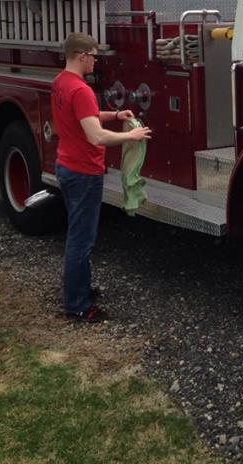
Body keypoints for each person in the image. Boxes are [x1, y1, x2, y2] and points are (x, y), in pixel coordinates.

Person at [52, 32, 151, 323]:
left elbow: (87, 117)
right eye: (94, 56)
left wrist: (116, 115)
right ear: (81, 55)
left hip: (66, 167)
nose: (96, 61)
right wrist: (130, 135)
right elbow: (94, 134)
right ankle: (78, 306)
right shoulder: (80, 89)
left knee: (77, 234)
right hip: (83, 173)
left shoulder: (61, 83)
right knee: (81, 241)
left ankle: (80, 289)